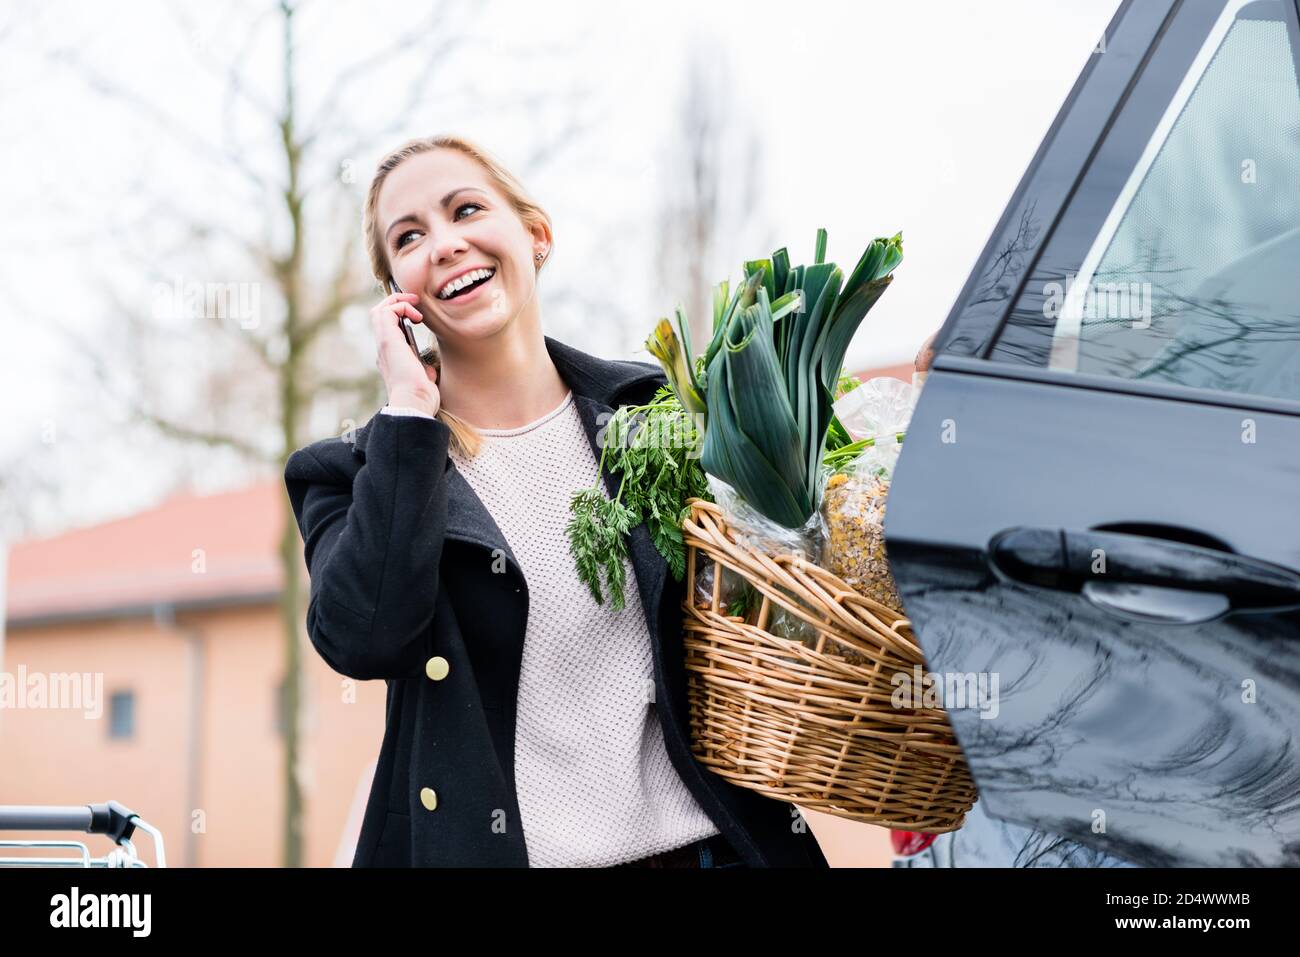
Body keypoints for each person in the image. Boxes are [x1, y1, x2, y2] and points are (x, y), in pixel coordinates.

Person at [283, 134, 828, 869]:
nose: (443, 244)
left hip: (711, 850)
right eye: (408, 237)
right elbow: (365, 637)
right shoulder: (355, 472)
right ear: (397, 298)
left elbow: (789, 584)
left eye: (465, 209)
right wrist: (410, 414)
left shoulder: (656, 409)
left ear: (534, 235)